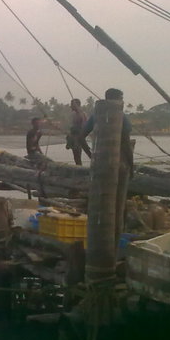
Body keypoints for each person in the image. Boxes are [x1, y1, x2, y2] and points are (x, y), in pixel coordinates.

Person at [81, 88, 134, 238]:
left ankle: (99, 236)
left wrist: (92, 156)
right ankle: (117, 236)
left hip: (100, 166)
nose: (122, 101)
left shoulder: (96, 115)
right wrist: (131, 166)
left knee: (100, 205)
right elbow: (126, 144)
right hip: (119, 165)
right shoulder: (121, 117)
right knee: (117, 205)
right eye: (121, 98)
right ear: (116, 99)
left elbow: (80, 137)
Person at [67, 98, 92, 165]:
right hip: (74, 136)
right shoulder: (73, 114)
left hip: (80, 136)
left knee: (88, 152)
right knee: (76, 156)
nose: (71, 106)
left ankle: (95, 166)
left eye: (72, 104)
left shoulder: (83, 114)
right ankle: (79, 167)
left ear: (76, 105)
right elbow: (72, 125)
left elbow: (84, 126)